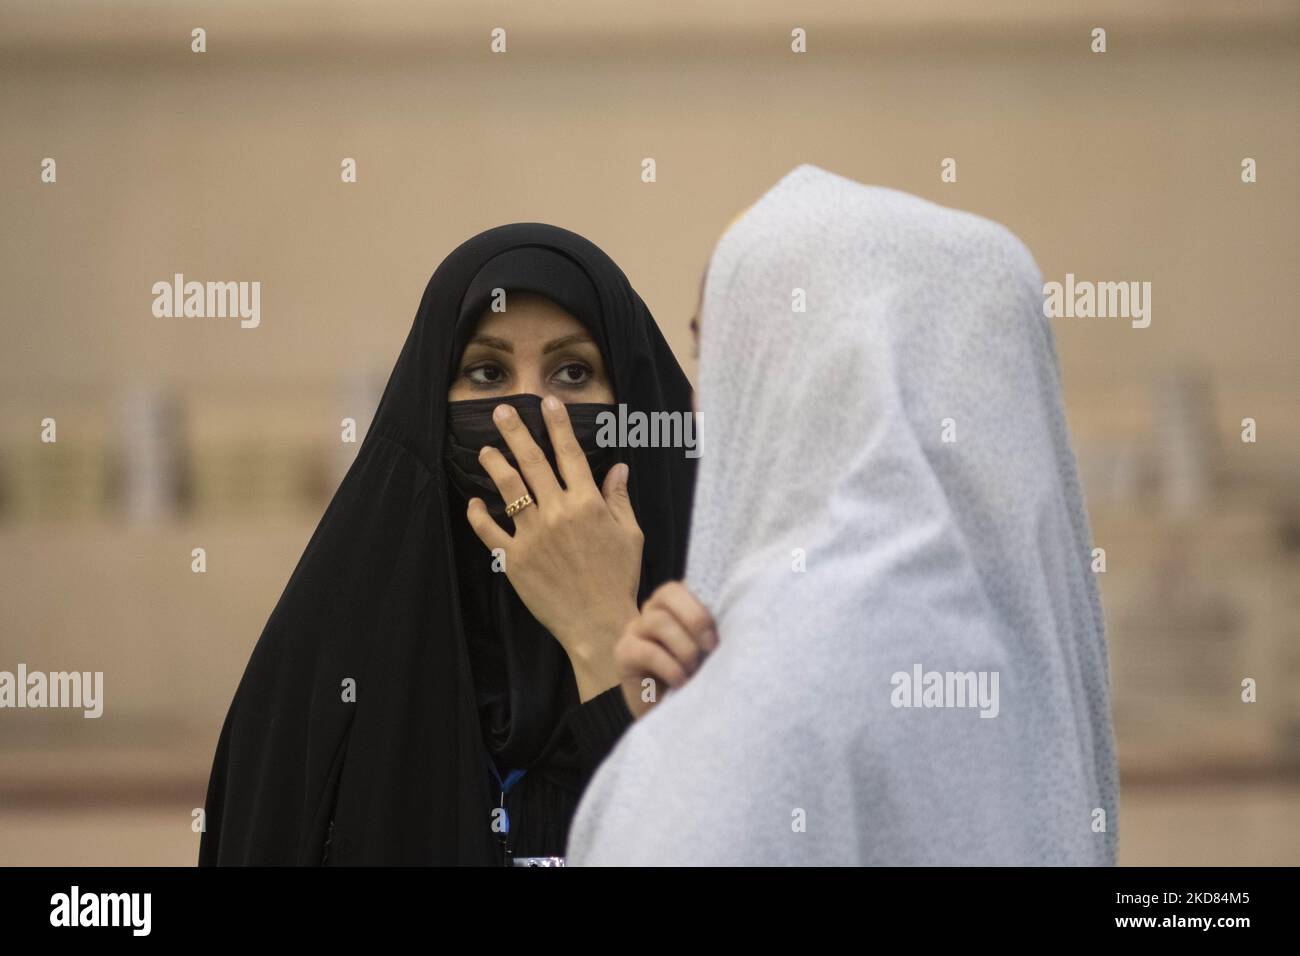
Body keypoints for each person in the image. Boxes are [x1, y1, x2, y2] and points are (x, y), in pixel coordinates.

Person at [567, 164, 1121, 865]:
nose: (708, 405)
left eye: (722, 352)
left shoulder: (769, 698)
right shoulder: (1036, 662)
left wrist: (680, 742)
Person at [199, 223, 696, 865]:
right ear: (429, 404)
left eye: (573, 371)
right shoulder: (328, 663)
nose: (527, 410)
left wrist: (602, 633)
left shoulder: (710, 633)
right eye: (487, 372)